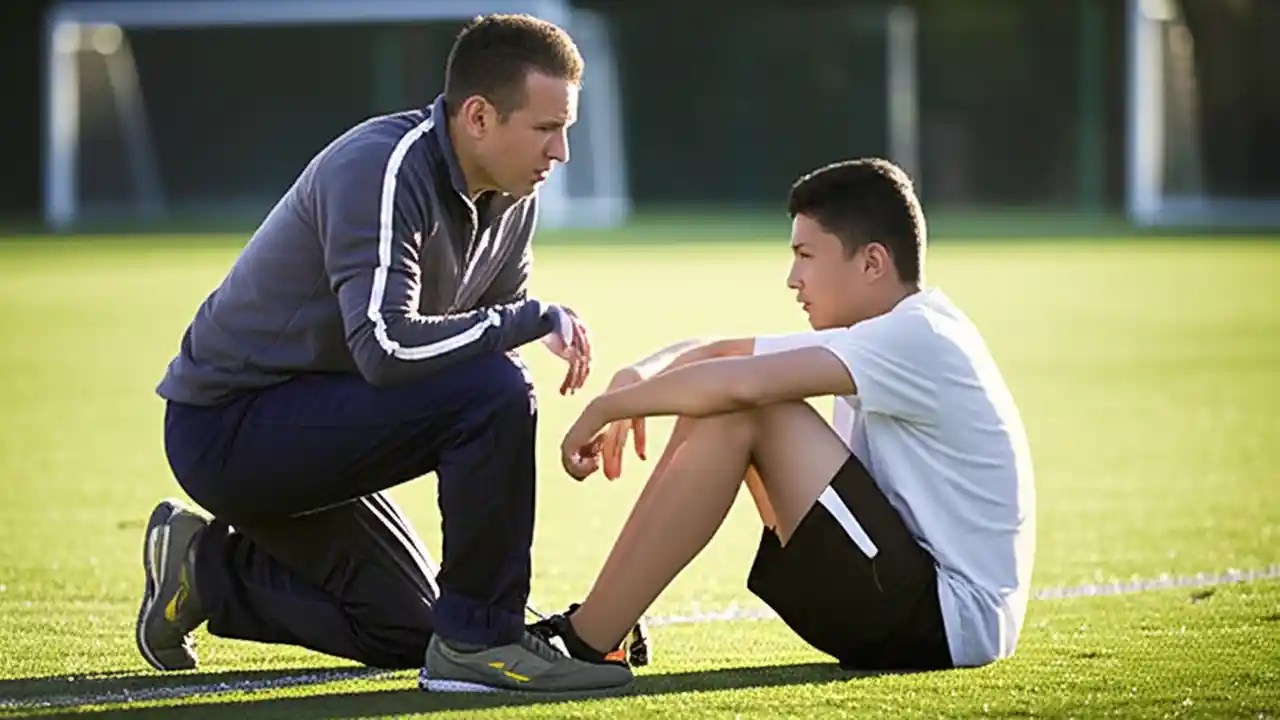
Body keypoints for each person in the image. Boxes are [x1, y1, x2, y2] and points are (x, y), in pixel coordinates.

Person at [137, 13, 634, 695]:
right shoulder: (381, 166)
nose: (562, 152)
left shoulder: (513, 192)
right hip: (228, 427)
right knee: (493, 389)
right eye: (547, 129)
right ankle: (481, 642)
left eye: (566, 129)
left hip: (318, 422)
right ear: (480, 117)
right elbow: (387, 346)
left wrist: (526, 335)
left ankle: (203, 570)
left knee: (410, 630)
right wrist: (527, 321)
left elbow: (484, 341)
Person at [529, 159, 1036, 672]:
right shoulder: (884, 332)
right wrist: (636, 375)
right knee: (732, 401)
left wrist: (606, 407)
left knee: (750, 409)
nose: (792, 278)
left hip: (942, 621)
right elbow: (721, 352)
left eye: (805, 255)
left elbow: (740, 383)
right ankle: (597, 631)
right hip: (904, 596)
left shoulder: (917, 337)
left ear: (872, 263)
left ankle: (588, 640)